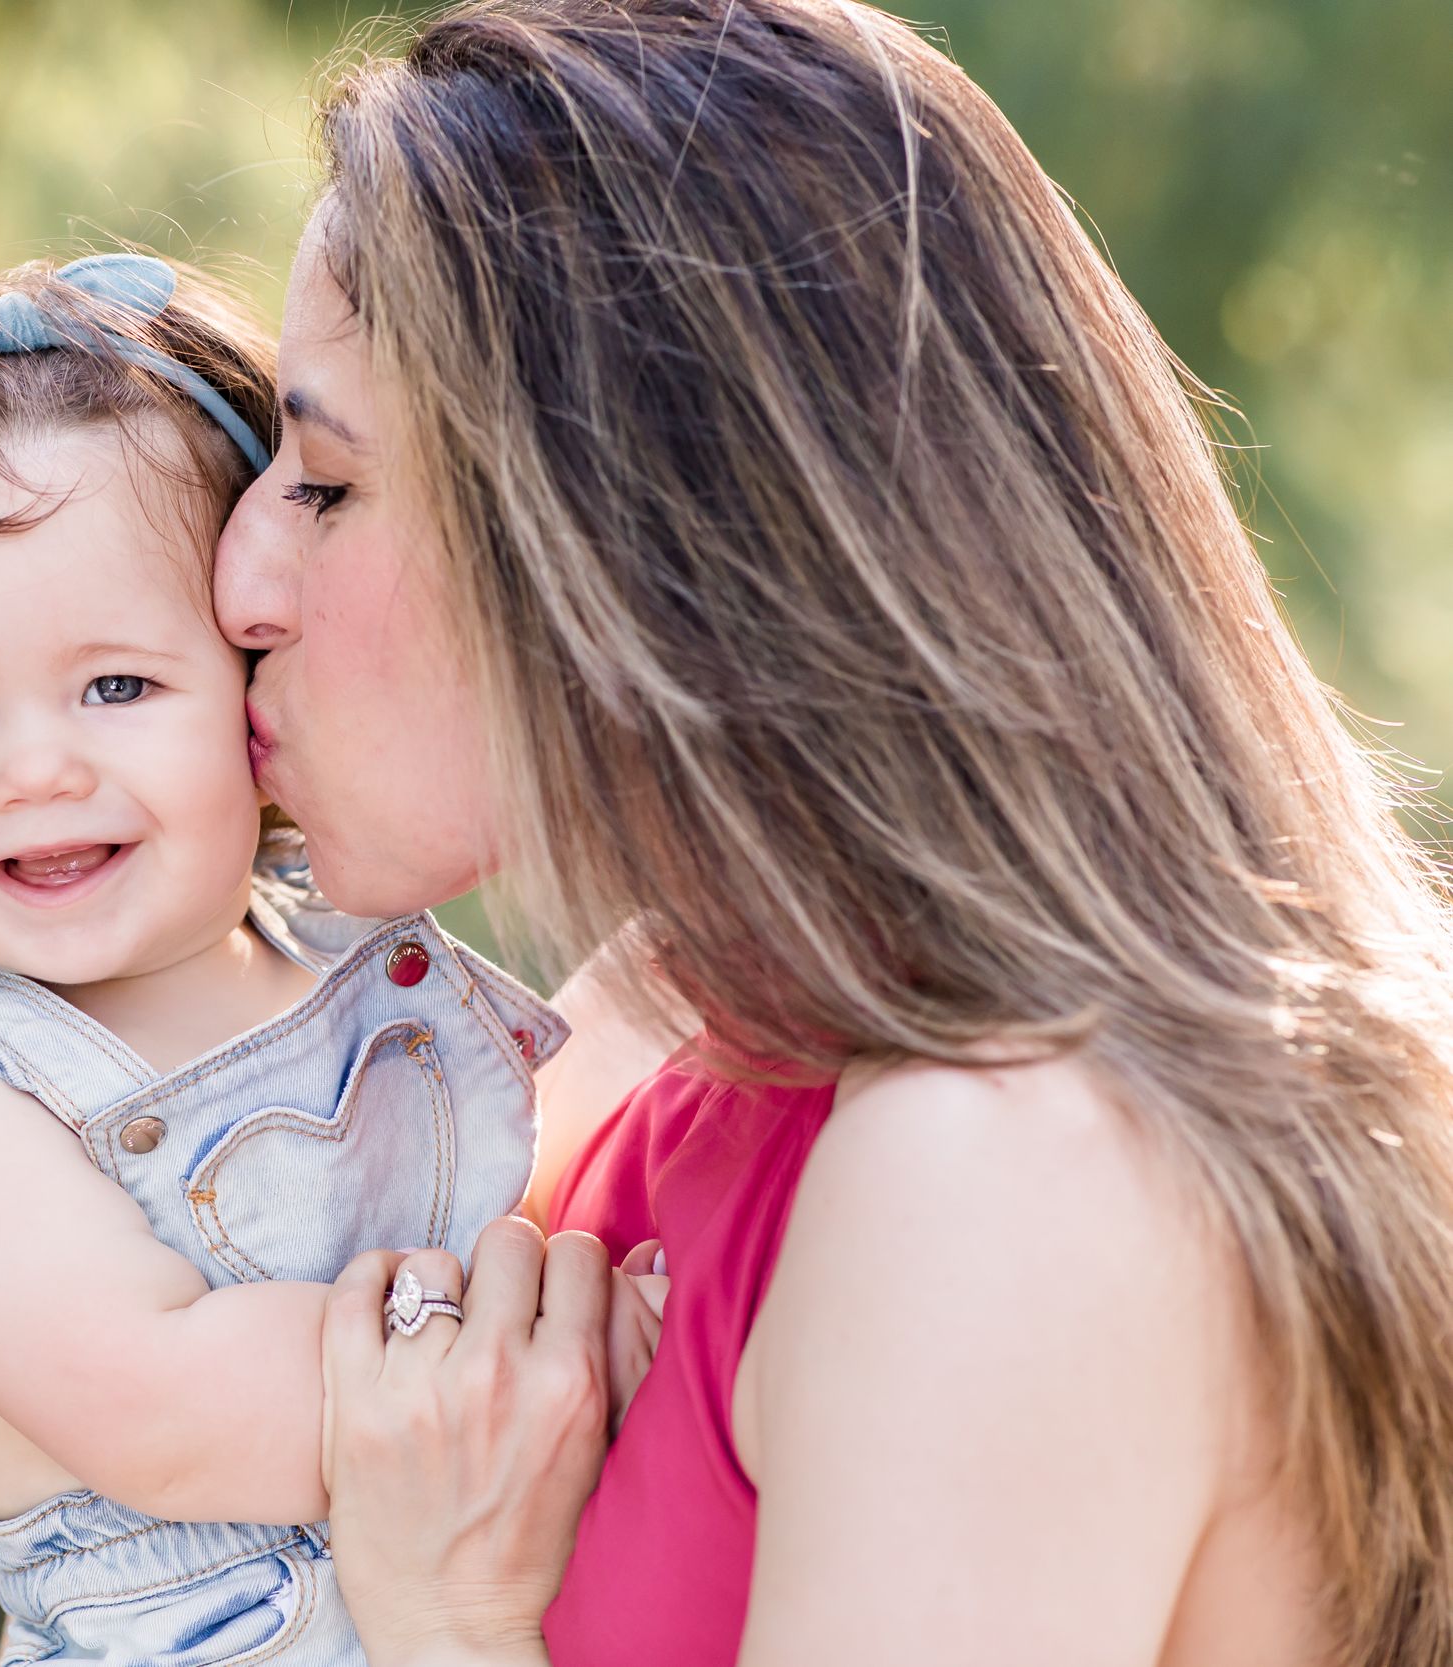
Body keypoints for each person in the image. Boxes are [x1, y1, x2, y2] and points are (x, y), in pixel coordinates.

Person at [211, 2, 1453, 1664]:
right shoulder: (675, 1022)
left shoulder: (999, 1173)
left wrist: (444, 1613)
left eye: (329, 482)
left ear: (638, 526)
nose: (238, 583)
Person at [0, 251, 656, 1665]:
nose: (37, 769)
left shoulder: (359, 958)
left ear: (256, 684)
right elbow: (178, 1414)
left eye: (117, 685)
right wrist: (562, 1344)